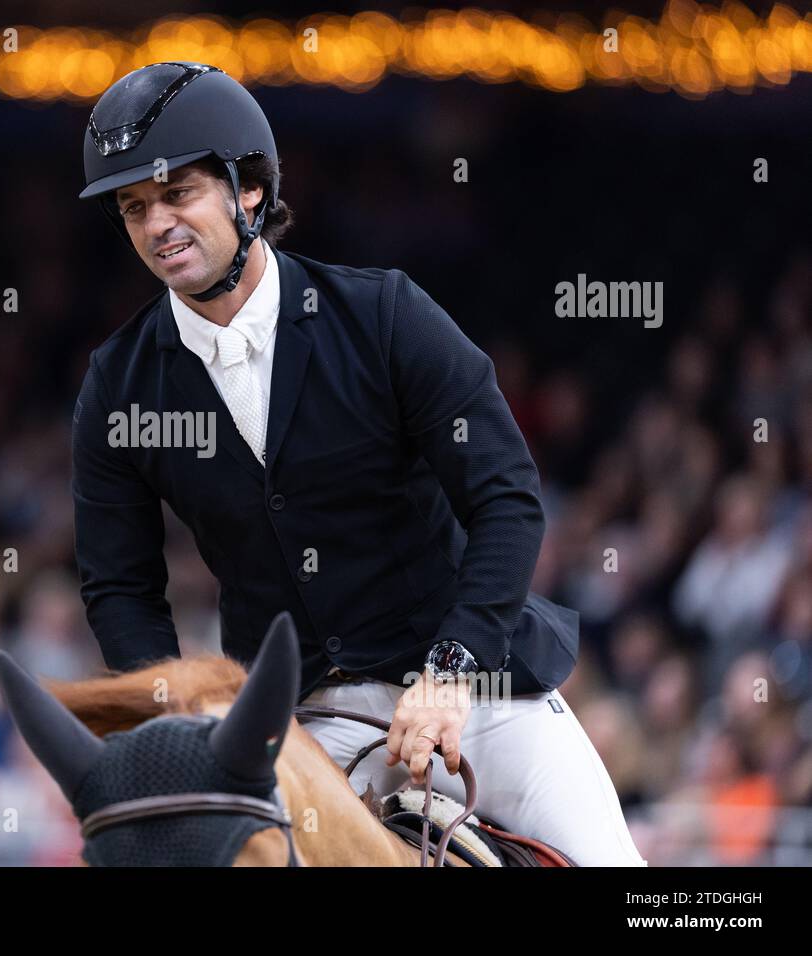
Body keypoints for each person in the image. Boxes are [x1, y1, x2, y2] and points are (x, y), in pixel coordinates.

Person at [70, 61, 644, 866]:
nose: (156, 224)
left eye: (177, 194)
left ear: (250, 193)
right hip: (302, 722)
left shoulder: (383, 316)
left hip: (479, 689)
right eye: (134, 209)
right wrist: (176, 721)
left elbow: (507, 501)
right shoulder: (117, 383)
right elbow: (121, 587)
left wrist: (450, 674)